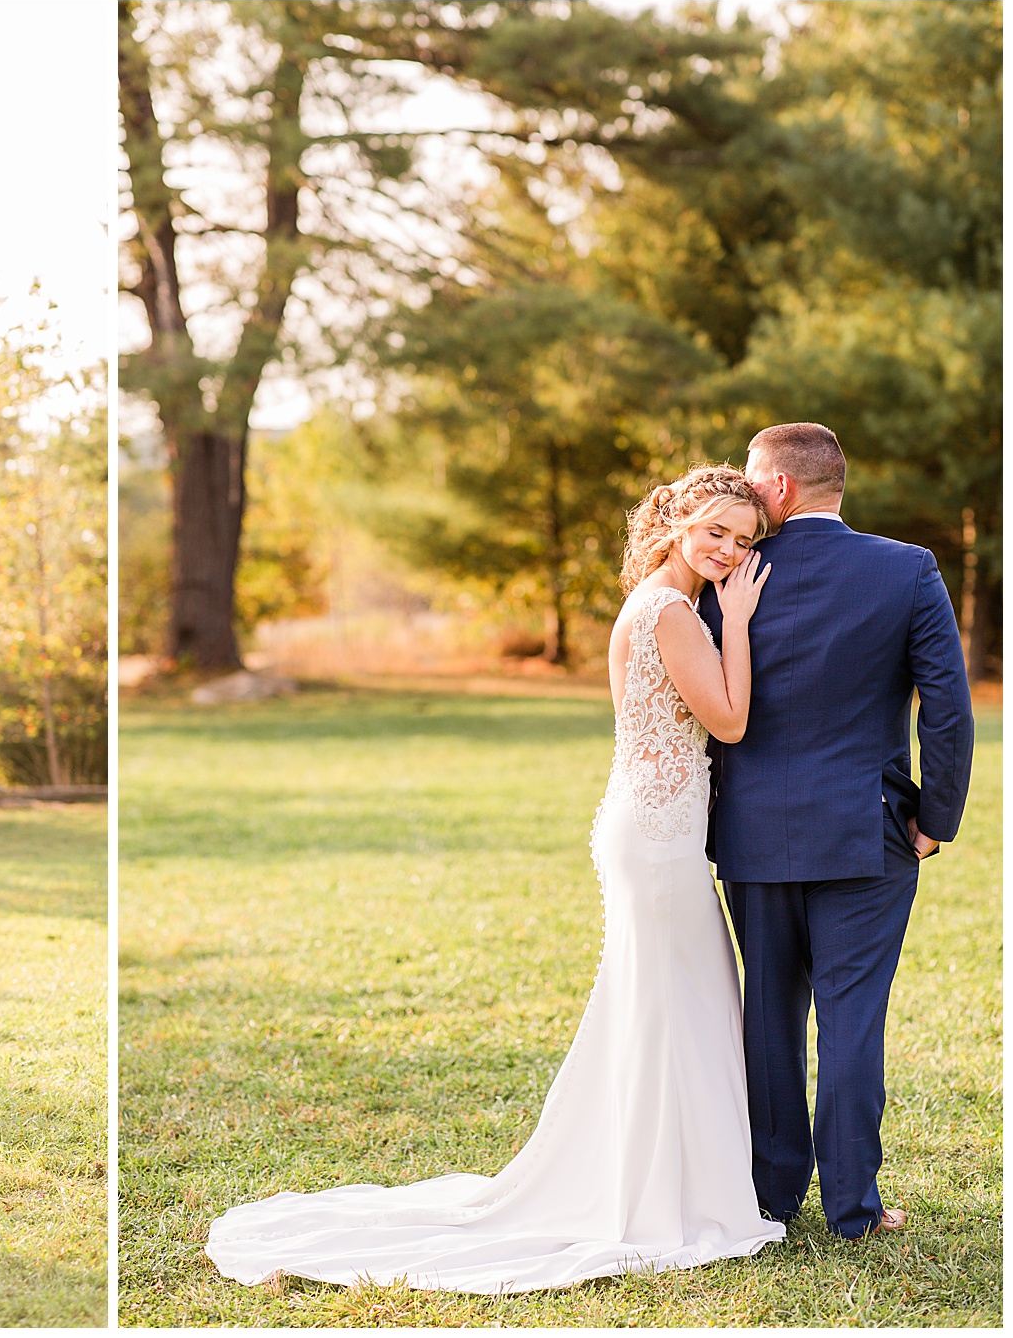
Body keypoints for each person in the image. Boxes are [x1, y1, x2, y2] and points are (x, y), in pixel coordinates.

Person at [205, 464, 787, 1292]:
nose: (729, 551)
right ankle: (663, 1194)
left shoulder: (656, 603)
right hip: (658, 838)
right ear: (678, 524)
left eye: (744, 540)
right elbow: (728, 720)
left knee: (670, 1001)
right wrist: (741, 623)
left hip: (652, 826)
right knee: (677, 1000)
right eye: (716, 532)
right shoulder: (670, 609)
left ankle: (672, 1180)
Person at [702, 423, 972, 1240]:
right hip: (869, 831)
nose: (747, 494)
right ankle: (854, 1207)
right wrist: (934, 819)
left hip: (751, 833)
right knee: (853, 1019)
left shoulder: (729, 573)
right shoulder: (906, 569)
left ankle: (772, 1196)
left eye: (753, 480)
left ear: (781, 487)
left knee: (768, 1015)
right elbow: (947, 708)